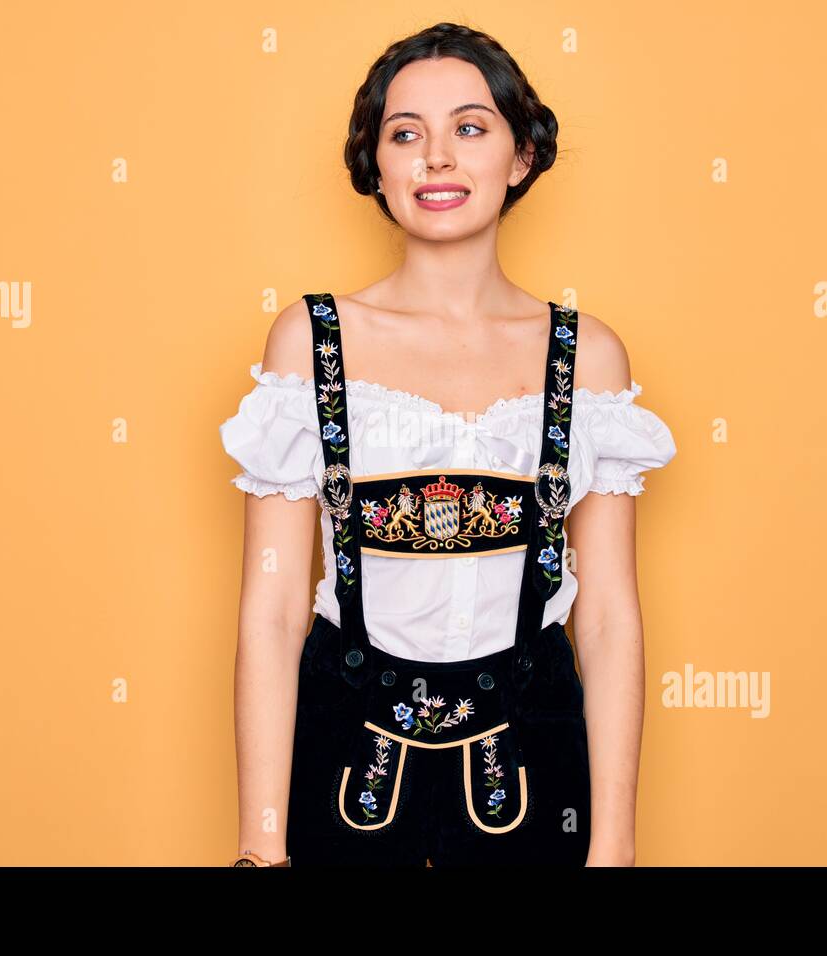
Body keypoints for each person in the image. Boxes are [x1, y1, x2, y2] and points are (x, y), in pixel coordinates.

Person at [219, 21, 676, 867]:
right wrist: (261, 845)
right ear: (377, 166)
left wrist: (612, 850)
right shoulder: (311, 342)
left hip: (536, 769)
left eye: (470, 128)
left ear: (521, 156)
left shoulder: (590, 357)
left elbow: (609, 618)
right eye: (406, 134)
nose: (436, 158)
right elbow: (274, 611)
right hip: (339, 761)